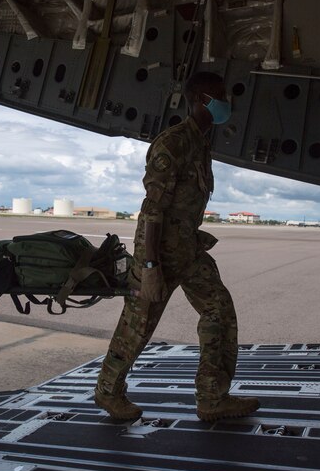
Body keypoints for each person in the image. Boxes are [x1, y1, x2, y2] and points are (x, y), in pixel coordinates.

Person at [94, 71, 260, 422]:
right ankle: (108, 392)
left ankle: (212, 397)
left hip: (187, 248)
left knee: (219, 310)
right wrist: (150, 268)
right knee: (138, 326)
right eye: (220, 96)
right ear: (201, 100)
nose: (226, 103)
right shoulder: (173, 143)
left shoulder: (201, 143)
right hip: (158, 252)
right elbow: (152, 209)